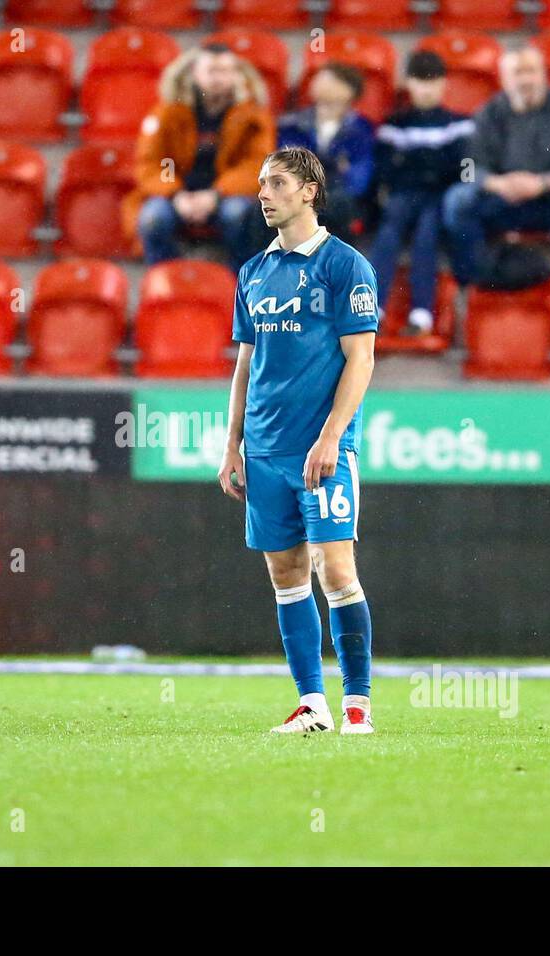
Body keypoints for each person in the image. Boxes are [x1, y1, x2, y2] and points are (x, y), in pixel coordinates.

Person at [217, 146, 379, 735]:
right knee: (286, 578)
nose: (263, 193)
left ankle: (358, 706)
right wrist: (232, 444)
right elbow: (244, 366)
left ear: (309, 190)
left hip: (322, 451)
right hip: (264, 450)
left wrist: (333, 436)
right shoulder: (254, 272)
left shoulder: (345, 266)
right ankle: (313, 704)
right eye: (260, 184)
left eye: (276, 183)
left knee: (336, 573)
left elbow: (360, 359)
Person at [442, 46, 550, 286]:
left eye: (532, 71)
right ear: (504, 78)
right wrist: (498, 184)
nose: (526, 79)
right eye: (518, 72)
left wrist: (541, 183)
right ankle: (472, 282)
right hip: (502, 200)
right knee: (458, 200)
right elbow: (470, 167)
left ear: (543, 74)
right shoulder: (490, 112)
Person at [122, 44, 275, 271]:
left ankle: (241, 281)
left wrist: (216, 194)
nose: (219, 78)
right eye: (212, 70)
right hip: (177, 194)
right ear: (195, 72)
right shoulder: (168, 113)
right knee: (152, 217)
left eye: (225, 71)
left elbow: (255, 165)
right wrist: (174, 194)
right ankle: (165, 278)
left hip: (227, 194)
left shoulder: (251, 115)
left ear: (236, 74)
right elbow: (153, 162)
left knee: (238, 215)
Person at [368, 50, 474, 335]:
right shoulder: (394, 123)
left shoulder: (461, 123)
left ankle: (422, 314)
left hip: (439, 196)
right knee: (389, 230)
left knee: (427, 234)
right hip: (405, 195)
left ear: (444, 84)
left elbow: (464, 169)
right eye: (420, 80)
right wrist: (433, 161)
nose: (426, 88)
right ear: (408, 84)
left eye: (433, 81)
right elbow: (386, 169)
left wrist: (414, 160)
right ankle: (372, 310)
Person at [275, 63, 376, 241]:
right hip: (299, 191)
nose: (318, 82)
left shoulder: (361, 129)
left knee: (338, 205)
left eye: (329, 79)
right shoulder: (293, 125)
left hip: (339, 195)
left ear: (348, 91)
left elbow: (359, 180)